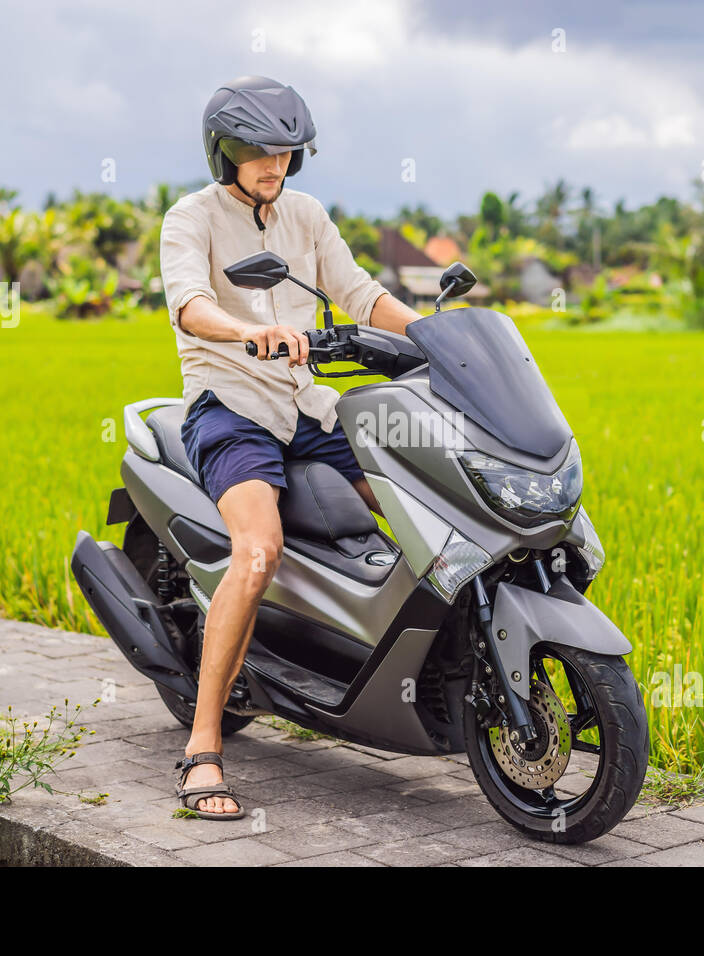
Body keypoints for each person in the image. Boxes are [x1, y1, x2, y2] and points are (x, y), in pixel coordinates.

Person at [158, 76, 422, 818]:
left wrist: (441, 335)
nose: (275, 165)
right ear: (224, 152)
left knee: (416, 500)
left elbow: (361, 293)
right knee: (258, 550)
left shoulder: (305, 215)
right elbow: (190, 304)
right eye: (258, 152)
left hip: (308, 404)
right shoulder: (191, 218)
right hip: (231, 407)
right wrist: (251, 332)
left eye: (286, 152)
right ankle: (204, 745)